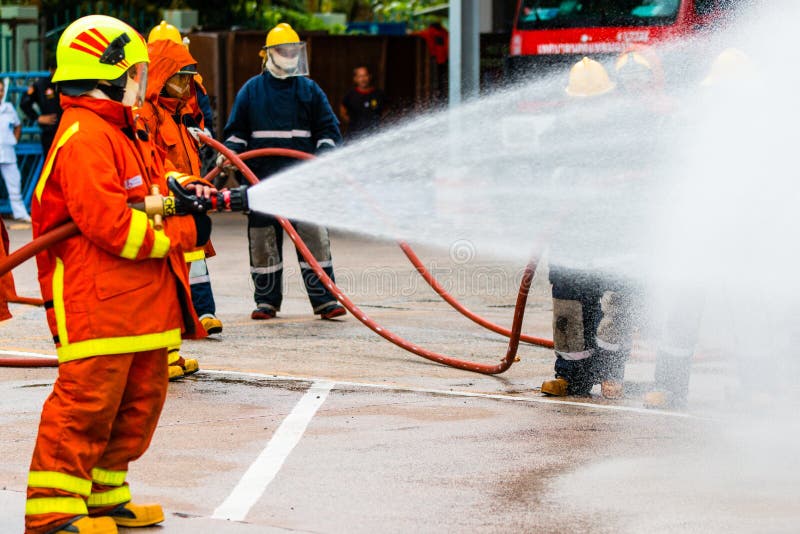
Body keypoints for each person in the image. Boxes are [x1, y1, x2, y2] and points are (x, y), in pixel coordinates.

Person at [24, 15, 213, 533]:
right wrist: (178, 234)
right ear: (106, 73)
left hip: (141, 303)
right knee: (86, 405)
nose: (143, 83)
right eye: (136, 73)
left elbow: (144, 190)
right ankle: (53, 512)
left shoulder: (123, 130)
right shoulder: (84, 136)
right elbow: (108, 222)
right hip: (99, 301)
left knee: (137, 404)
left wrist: (182, 192)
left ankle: (106, 498)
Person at [221, 22, 346, 321]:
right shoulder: (252, 91)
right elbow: (236, 133)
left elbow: (328, 129)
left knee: (314, 239)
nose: (290, 55)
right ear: (268, 54)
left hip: (304, 182)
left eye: (294, 50)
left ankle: (325, 300)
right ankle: (266, 302)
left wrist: (325, 153)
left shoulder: (309, 90)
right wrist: (229, 155)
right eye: (283, 50)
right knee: (263, 244)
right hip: (261, 181)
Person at [540, 57, 643, 400]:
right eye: (582, 103)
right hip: (570, 238)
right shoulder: (556, 134)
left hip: (616, 236)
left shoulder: (625, 133)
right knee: (570, 306)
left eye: (595, 102)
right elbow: (540, 179)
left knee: (618, 306)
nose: (588, 110)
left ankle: (611, 373)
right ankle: (571, 375)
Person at [143, 21, 223, 379]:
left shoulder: (177, 114)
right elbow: (154, 165)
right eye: (180, 78)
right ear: (161, 75)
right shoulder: (150, 115)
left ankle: (171, 354)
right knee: (164, 288)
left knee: (181, 282)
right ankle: (161, 356)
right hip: (165, 212)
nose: (187, 86)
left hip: (184, 208)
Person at [0, 79, 30, 222]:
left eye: (1, 90)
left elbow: (18, 126)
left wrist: (14, 140)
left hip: (7, 152)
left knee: (15, 184)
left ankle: (20, 214)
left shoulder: (9, 108)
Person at [20, 61, 60, 155]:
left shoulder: (70, 84)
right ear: (51, 70)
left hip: (69, 131)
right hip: (50, 132)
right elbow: (24, 103)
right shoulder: (42, 85)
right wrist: (37, 118)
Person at [340, 65, 386, 139]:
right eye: (360, 76)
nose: (363, 79)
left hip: (375, 135)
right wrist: (353, 123)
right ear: (355, 79)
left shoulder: (379, 94)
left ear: (370, 77)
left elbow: (386, 111)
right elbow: (343, 111)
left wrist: (381, 123)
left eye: (365, 76)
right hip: (354, 136)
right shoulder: (350, 95)